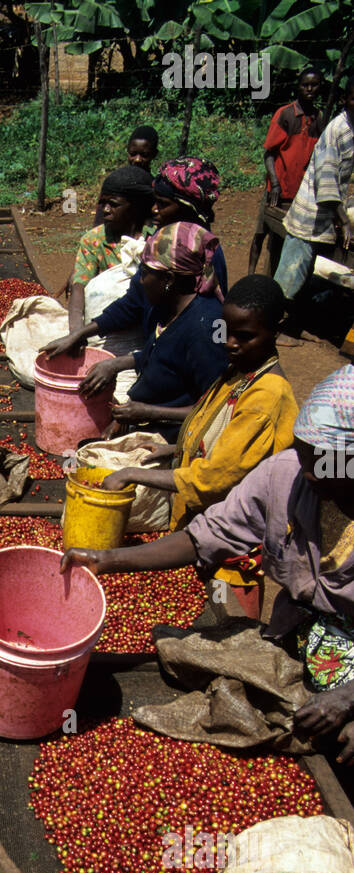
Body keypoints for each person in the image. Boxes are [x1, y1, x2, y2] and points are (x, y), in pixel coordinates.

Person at [61, 364, 354, 763]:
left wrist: (348, 698)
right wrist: (107, 559)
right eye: (303, 456)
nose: (307, 473)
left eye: (323, 463)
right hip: (295, 637)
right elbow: (204, 536)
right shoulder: (286, 475)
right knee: (188, 655)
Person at [96, 276, 297, 616]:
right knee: (190, 603)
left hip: (233, 551)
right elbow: (210, 427)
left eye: (245, 336)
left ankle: (232, 629)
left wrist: (133, 474)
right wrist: (174, 452)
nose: (230, 343)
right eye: (227, 331)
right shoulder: (241, 372)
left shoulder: (267, 396)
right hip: (201, 532)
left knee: (224, 620)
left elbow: (214, 478)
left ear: (276, 330)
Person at [46, 157, 228, 367]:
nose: (154, 210)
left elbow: (214, 323)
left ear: (188, 208)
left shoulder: (207, 257)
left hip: (185, 367)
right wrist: (80, 333)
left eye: (163, 204)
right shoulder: (159, 241)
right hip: (157, 355)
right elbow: (134, 301)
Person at [75, 222, 229, 442]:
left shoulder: (207, 326)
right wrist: (124, 414)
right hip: (145, 423)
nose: (140, 280)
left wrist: (146, 412)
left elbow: (216, 408)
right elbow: (163, 361)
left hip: (174, 439)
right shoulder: (167, 310)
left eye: (145, 272)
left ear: (168, 280)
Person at [274, 75, 354, 333]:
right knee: (291, 274)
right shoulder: (337, 130)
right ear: (345, 100)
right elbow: (327, 179)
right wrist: (345, 220)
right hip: (311, 212)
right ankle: (277, 328)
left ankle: (297, 323)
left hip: (325, 214)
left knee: (306, 272)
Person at [59, 165, 155, 332]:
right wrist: (75, 329)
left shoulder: (154, 238)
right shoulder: (94, 240)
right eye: (103, 203)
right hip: (105, 322)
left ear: (135, 208)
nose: (105, 210)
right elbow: (79, 285)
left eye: (113, 204)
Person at [247, 68, 323, 276]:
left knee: (282, 239)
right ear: (297, 87)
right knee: (260, 233)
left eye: (314, 85)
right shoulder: (286, 114)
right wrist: (275, 183)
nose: (309, 89)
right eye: (304, 85)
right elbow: (269, 154)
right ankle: (250, 276)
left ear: (320, 87)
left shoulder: (319, 119)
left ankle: (271, 281)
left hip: (298, 192)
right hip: (277, 189)